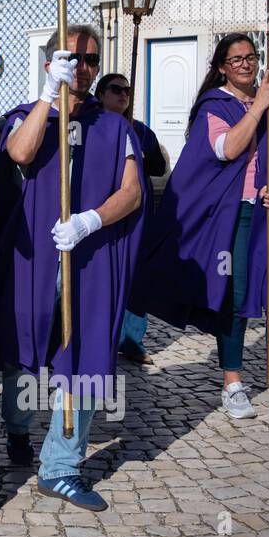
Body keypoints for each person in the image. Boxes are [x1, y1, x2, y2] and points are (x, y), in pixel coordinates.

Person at [0, 24, 144, 513]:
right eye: (72, 59)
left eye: (91, 60)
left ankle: (60, 466)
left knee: (89, 353)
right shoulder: (29, 114)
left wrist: (90, 220)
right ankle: (17, 429)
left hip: (90, 254)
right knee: (24, 347)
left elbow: (133, 191)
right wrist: (46, 99)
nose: (83, 68)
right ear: (50, 63)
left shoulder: (114, 124)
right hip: (34, 252)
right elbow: (20, 152)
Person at [133, 33, 269, 425]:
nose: (245, 64)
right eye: (235, 59)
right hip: (236, 215)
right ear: (222, 67)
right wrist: (258, 108)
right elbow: (227, 149)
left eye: (250, 57)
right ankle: (232, 382)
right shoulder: (215, 106)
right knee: (232, 296)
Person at [95, 72, 166, 364]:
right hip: (102, 211)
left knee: (136, 278)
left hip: (136, 214)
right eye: (116, 89)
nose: (123, 94)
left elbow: (159, 167)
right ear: (101, 94)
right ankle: (99, 338)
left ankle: (132, 340)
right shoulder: (92, 126)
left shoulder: (141, 131)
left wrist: (136, 153)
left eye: (127, 90)